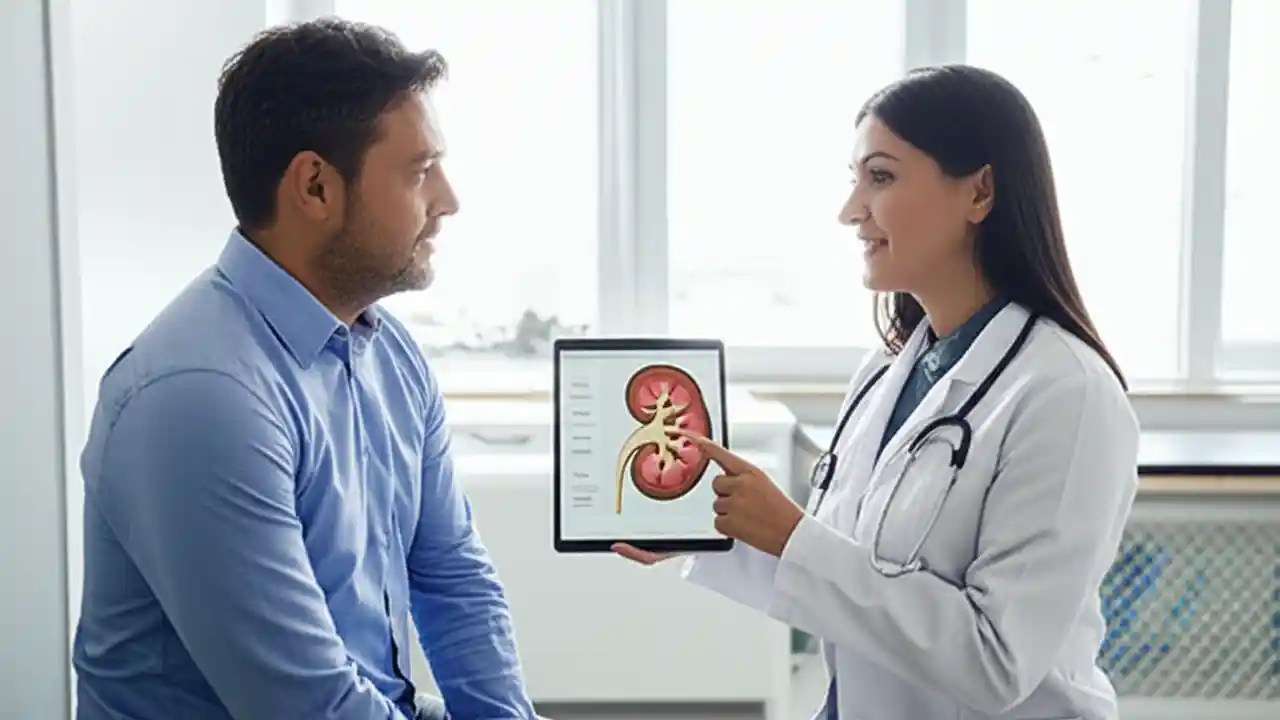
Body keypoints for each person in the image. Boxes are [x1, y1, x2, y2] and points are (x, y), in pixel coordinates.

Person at [615, 64, 1140, 720]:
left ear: (980, 192)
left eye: (882, 177)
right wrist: (708, 533)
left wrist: (791, 536)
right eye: (855, 180)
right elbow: (846, 571)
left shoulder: (1069, 395)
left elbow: (997, 660)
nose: (850, 211)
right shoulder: (887, 371)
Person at [72, 17, 539, 720]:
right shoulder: (200, 397)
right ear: (315, 187)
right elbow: (305, 704)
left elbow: (454, 581)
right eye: (418, 171)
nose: (447, 199)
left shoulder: (389, 354)